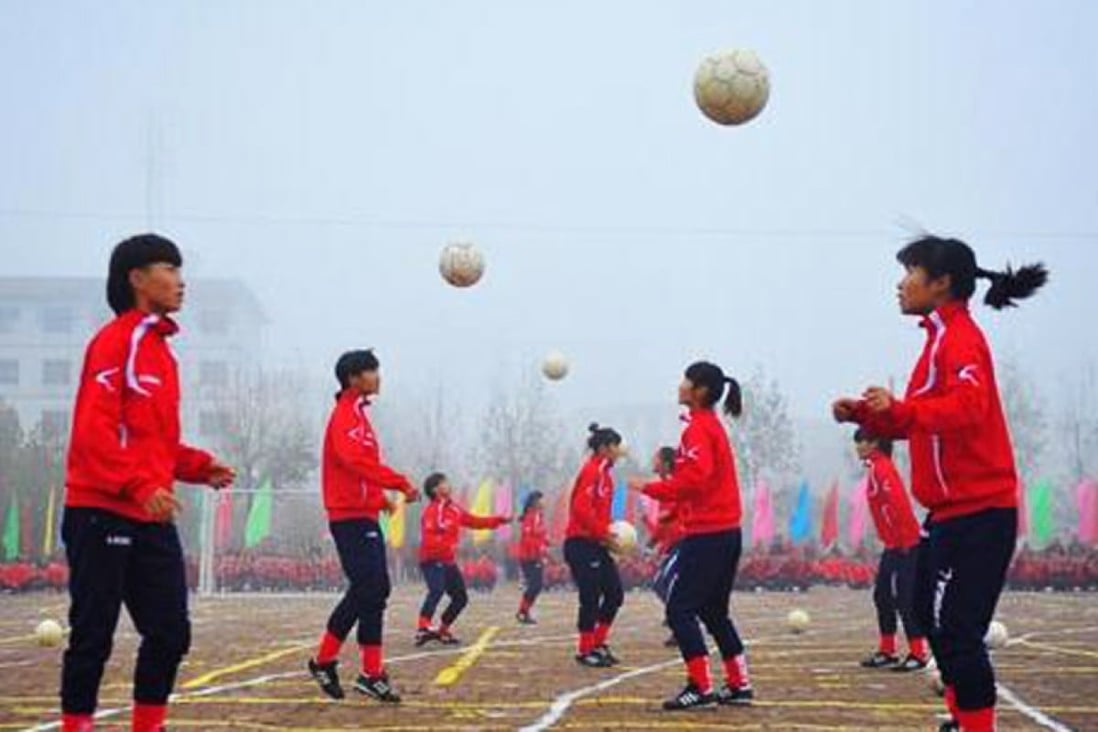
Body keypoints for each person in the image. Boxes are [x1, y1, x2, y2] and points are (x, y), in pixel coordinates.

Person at [833, 235, 1047, 732]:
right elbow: (919, 423)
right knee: (927, 619)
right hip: (950, 514)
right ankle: (962, 715)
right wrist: (866, 415)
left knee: (958, 633)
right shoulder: (936, 340)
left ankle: (976, 723)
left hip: (980, 511)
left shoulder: (961, 338)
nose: (900, 284)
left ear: (942, 282)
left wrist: (901, 409)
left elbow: (968, 408)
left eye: (910, 272)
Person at [60, 234, 236, 732]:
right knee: (93, 634)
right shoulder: (118, 341)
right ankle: (78, 725)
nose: (181, 282)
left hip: (151, 513)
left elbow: (155, 443)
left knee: (170, 632)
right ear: (137, 278)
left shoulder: (163, 353)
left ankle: (148, 725)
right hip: (100, 510)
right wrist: (137, 485)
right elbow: (93, 432)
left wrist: (200, 467)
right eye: (170, 269)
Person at [628, 361, 752, 711]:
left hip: (710, 534)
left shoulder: (700, 428)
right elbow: (700, 482)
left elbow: (694, 481)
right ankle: (739, 683)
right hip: (724, 532)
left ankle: (700, 687)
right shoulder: (705, 426)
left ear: (699, 391)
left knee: (680, 608)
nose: (680, 385)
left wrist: (650, 488)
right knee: (714, 612)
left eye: (686, 380)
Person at [308, 349, 419, 704]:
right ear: (354, 378)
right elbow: (353, 461)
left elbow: (361, 467)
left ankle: (369, 673)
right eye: (372, 371)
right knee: (369, 586)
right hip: (348, 517)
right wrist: (399, 483)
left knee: (375, 589)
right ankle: (327, 661)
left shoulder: (358, 415)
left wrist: (378, 499)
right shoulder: (345, 415)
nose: (378, 377)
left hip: (363, 514)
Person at [853, 429, 929, 672]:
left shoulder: (882, 468)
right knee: (882, 596)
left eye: (861, 441)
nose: (857, 446)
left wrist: (905, 541)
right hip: (893, 544)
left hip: (906, 544)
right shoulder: (875, 468)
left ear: (874, 442)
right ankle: (887, 650)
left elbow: (898, 504)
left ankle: (918, 653)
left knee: (905, 598)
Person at [416, 472, 510, 645]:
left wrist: (498, 521)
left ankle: (443, 630)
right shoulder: (432, 510)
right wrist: (448, 547)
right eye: (445, 483)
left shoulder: (454, 508)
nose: (449, 485)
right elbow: (430, 537)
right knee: (436, 590)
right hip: (431, 560)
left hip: (447, 561)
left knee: (460, 598)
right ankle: (423, 627)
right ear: (435, 489)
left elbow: (474, 521)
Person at [564, 423, 627, 668]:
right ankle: (585, 649)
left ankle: (598, 643)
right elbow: (580, 509)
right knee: (590, 596)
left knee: (615, 594)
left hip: (596, 543)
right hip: (581, 543)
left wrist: (613, 534)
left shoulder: (606, 475)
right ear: (603, 448)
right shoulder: (592, 471)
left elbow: (599, 513)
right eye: (615, 447)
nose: (619, 452)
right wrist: (603, 532)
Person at [646, 447, 684, 648]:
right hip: (673, 545)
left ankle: (681, 623)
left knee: (663, 583)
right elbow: (664, 522)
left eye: (656, 457)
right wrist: (653, 542)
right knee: (666, 584)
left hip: (684, 542)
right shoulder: (666, 487)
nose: (653, 461)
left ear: (667, 463)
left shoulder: (674, 486)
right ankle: (679, 622)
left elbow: (671, 519)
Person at [516, 490, 549, 625]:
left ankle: (524, 611)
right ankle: (522, 612)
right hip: (529, 556)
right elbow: (528, 537)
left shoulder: (539, 516)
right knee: (535, 585)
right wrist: (537, 553)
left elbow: (539, 536)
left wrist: (546, 542)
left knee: (536, 585)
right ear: (535, 501)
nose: (544, 501)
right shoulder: (531, 516)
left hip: (535, 556)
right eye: (542, 499)